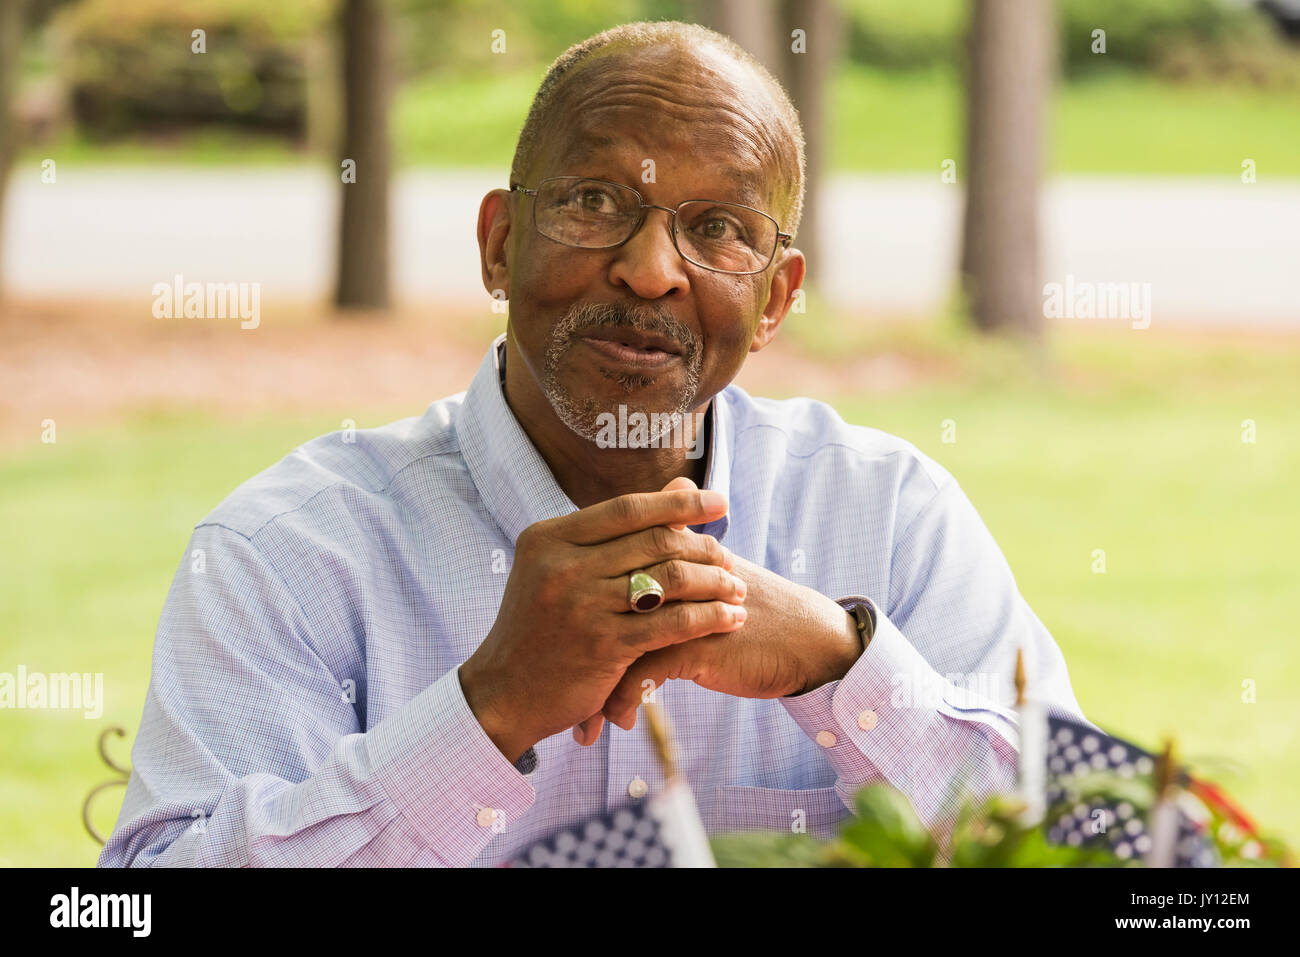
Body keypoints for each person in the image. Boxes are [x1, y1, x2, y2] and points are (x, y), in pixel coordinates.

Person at [100, 20, 1088, 867]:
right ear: (497, 244)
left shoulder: (887, 519)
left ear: (777, 298)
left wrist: (840, 666)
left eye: (718, 227)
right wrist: (484, 712)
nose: (651, 270)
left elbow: (1100, 849)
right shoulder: (293, 554)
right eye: (594, 202)